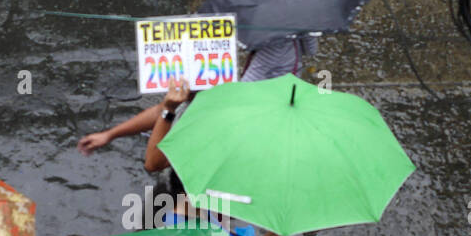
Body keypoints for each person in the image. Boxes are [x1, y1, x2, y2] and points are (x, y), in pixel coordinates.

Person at [75, 35, 317, 155]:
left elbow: (153, 162)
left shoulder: (209, 120)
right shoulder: (290, 39)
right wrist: (109, 134)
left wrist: (170, 110)